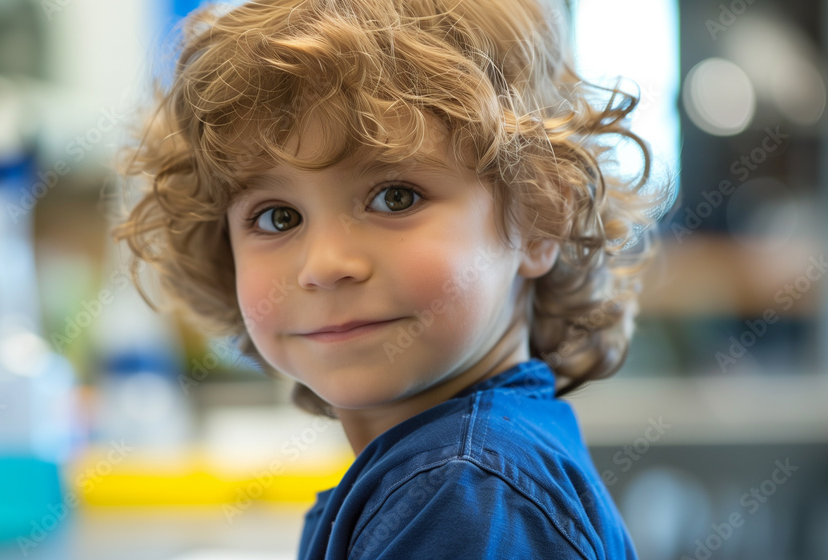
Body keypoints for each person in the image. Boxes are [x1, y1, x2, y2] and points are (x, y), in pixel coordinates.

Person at [114, 0, 674, 557]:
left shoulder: (463, 492)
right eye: (277, 217)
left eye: (395, 198)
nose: (325, 264)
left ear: (539, 220)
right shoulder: (450, 474)